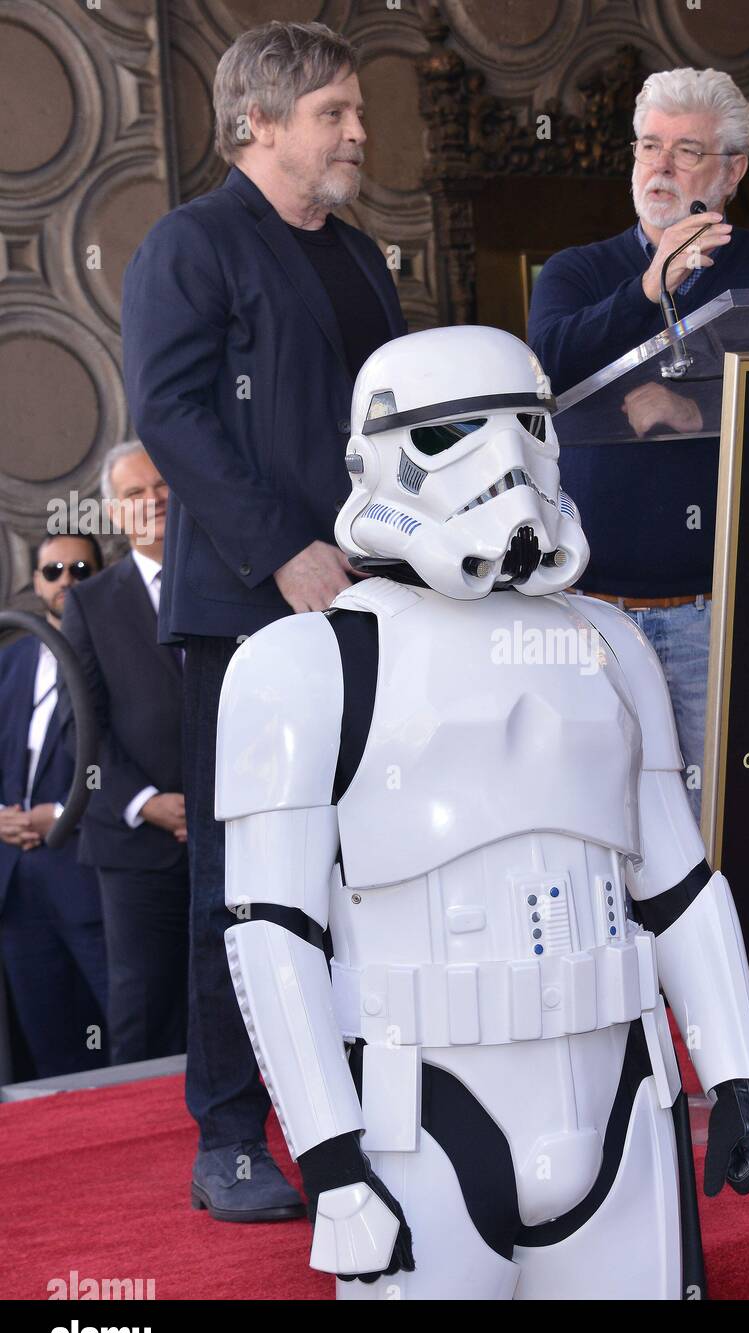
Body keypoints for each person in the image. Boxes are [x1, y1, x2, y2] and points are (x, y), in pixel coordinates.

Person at [217, 325, 749, 1300]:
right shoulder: (302, 664)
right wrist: (326, 1155)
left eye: (529, 426)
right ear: (377, 455)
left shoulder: (612, 643)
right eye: (455, 435)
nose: (508, 462)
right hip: (421, 1107)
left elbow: (679, 884)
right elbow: (272, 930)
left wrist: (739, 1070)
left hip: (621, 1093)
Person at [121, 20, 406, 1222]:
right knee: (242, 884)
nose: (356, 130)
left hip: (379, 611)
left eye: (353, 110)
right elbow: (170, 413)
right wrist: (279, 551)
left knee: (367, 873)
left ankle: (366, 1110)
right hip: (246, 615)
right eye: (334, 113)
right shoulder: (188, 244)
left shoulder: (358, 256)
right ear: (260, 124)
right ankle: (232, 1135)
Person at [528, 67, 749, 818]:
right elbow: (548, 370)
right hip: (590, 614)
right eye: (648, 146)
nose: (658, 167)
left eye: (686, 151)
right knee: (597, 828)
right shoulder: (577, 271)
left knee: (720, 831)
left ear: (732, 170)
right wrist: (648, 288)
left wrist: (694, 412)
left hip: (720, 612)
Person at [61, 442, 189, 1065]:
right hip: (136, 846)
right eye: (136, 494)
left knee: (235, 998)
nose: (153, 501)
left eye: (162, 485)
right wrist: (147, 802)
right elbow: (84, 724)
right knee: (144, 1009)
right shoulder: (88, 602)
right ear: (117, 515)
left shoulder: (232, 579)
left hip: (237, 832)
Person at [0, 533, 108, 1077]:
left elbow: (131, 750)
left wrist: (68, 813)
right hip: (17, 886)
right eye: (54, 570)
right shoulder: (15, 659)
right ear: (37, 582)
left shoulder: (117, 648)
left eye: (81, 569)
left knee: (117, 1031)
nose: (67, 578)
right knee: (45, 1041)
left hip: (88, 875)